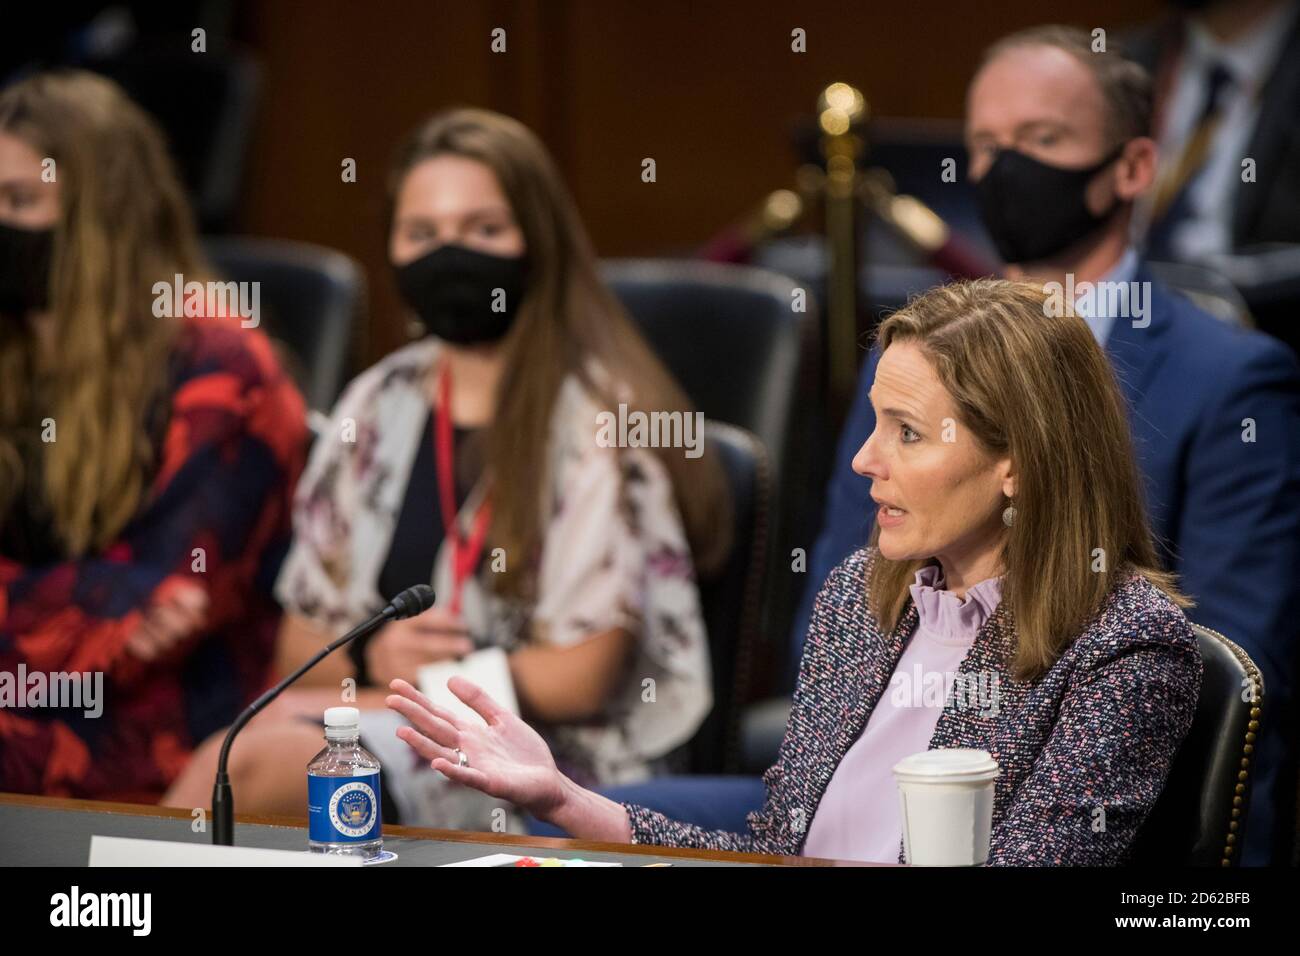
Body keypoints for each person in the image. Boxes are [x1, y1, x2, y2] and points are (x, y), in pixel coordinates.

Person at [387, 278, 1204, 866]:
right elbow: (777, 854)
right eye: (873, 422)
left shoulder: (1123, 645)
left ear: (1016, 464)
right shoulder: (864, 598)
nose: (863, 460)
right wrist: (561, 797)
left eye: (908, 434)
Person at [794, 24, 1300, 865]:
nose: (1007, 168)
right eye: (987, 145)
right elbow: (850, 586)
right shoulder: (909, 359)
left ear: (1134, 168)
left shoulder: (1232, 378)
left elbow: (1231, 670)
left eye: (1044, 140)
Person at [162, 108, 731, 831]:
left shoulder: (599, 416)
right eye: (423, 234)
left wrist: (399, 689)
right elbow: (302, 645)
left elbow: (584, 675)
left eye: (484, 230)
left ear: (538, 242)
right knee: (244, 752)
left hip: (549, 764)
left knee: (247, 764)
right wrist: (372, 652)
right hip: (398, 728)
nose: (450, 254)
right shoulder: (377, 401)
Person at [0, 71, 305, 799]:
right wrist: (87, 595)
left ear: (102, 216)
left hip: (163, 726)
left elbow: (161, 611)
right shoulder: (10, 348)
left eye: (19, 201)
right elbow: (113, 603)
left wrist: (90, 601)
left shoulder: (218, 364)